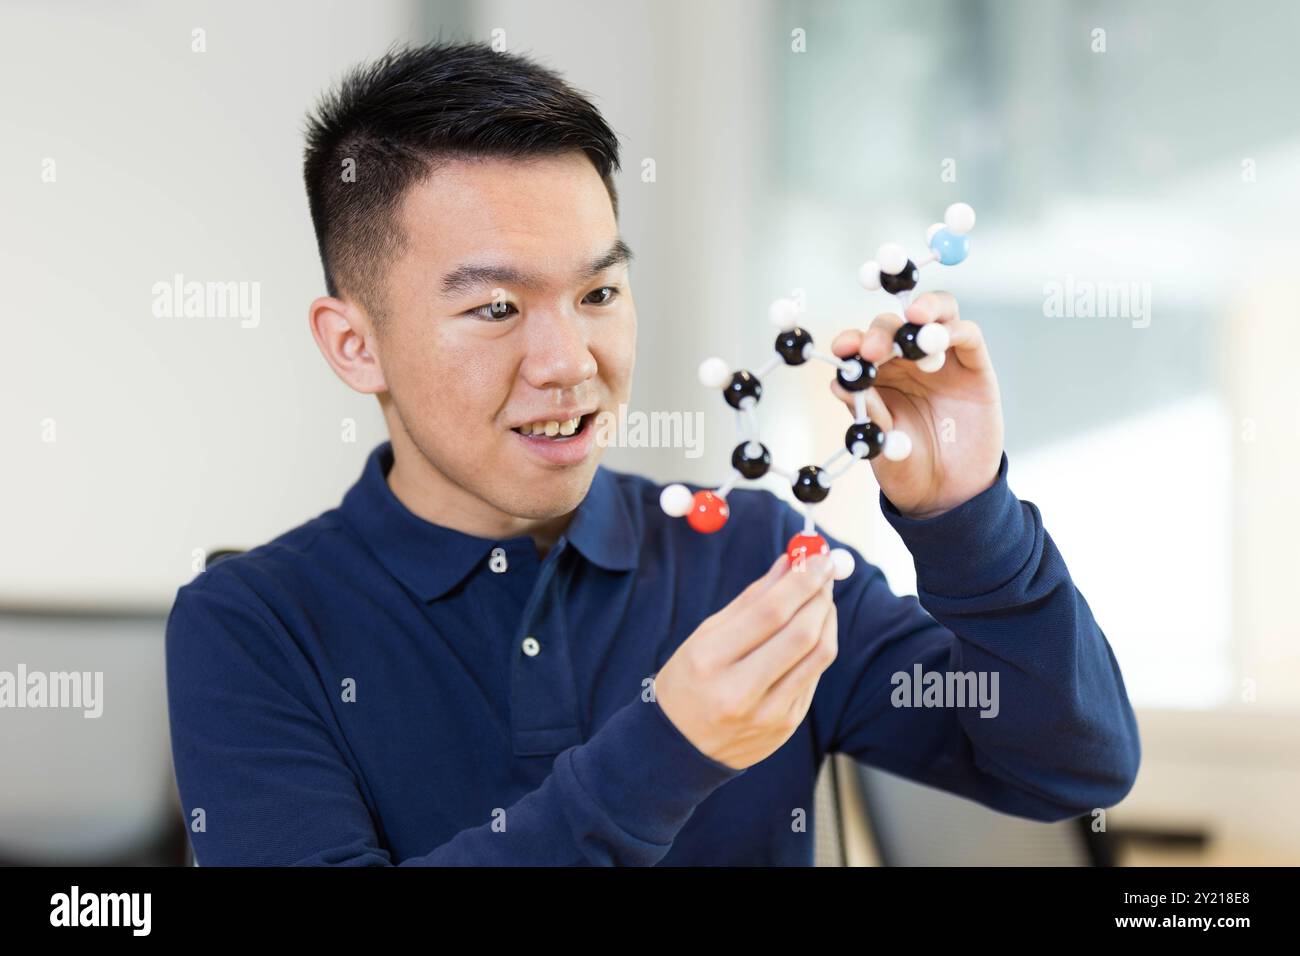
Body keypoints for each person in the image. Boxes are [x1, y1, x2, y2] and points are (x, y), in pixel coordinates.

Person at [164, 40, 1140, 866]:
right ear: (354, 343)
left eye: (597, 294)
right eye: (496, 308)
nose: (568, 361)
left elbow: (1070, 764)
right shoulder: (252, 625)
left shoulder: (749, 552)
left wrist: (965, 516)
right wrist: (669, 750)